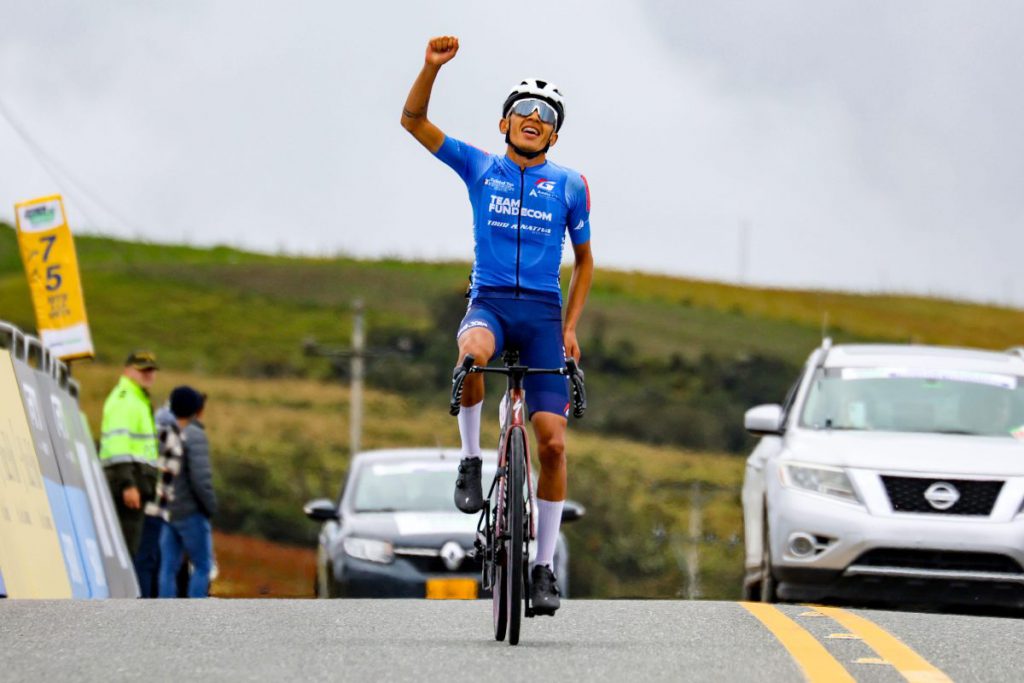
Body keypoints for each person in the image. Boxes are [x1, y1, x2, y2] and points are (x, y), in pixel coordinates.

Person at [401, 36, 594, 616]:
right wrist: (430, 68)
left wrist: (570, 328)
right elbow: (413, 121)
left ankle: (541, 570)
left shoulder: (569, 185)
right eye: (524, 111)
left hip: (541, 316)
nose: (534, 119)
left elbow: (584, 263)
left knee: (554, 445)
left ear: (554, 134)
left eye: (547, 115)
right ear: (504, 122)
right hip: (488, 301)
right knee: (472, 355)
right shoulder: (479, 166)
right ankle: (469, 458)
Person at [99, 350, 162, 597]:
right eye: (142, 369)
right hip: (126, 485)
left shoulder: (137, 399)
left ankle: (121, 601)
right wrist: (128, 484)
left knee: (130, 549)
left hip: (137, 485)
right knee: (124, 549)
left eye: (151, 370)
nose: (148, 375)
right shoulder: (126, 399)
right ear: (127, 370)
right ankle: (118, 603)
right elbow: (118, 446)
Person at [158, 386, 217, 598]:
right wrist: (210, 506)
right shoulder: (195, 435)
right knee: (203, 566)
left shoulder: (165, 432)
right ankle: (194, 615)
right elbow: (200, 479)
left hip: (168, 511)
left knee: (168, 568)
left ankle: (166, 615)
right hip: (190, 511)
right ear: (195, 410)